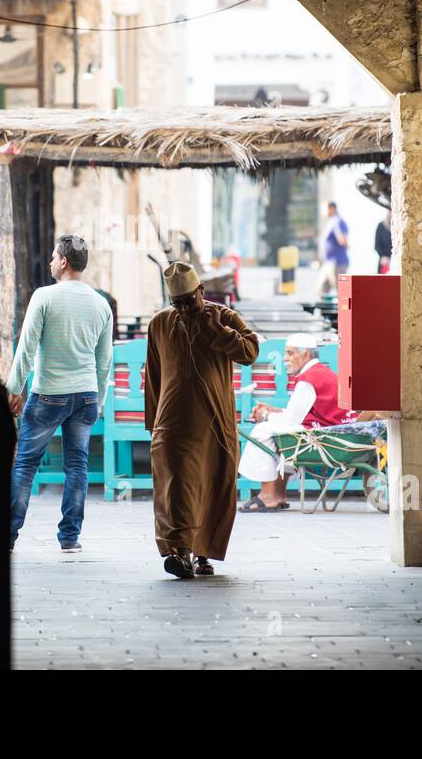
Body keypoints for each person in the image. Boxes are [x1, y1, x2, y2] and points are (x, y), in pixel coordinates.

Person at [144, 262, 260, 578]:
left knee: (213, 485)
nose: (183, 309)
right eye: (177, 303)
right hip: (172, 424)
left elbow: (249, 353)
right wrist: (153, 422)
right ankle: (178, 551)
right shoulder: (160, 324)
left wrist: (218, 332)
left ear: (201, 291)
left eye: (188, 301)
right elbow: (153, 375)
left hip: (215, 424)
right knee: (176, 487)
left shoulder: (223, 317)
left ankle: (202, 552)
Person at [6, 235, 114, 554]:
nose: (51, 262)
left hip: (49, 395)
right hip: (86, 397)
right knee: (77, 466)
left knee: (25, 464)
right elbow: (103, 361)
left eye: (54, 257)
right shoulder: (100, 304)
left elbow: (26, 348)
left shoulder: (44, 297)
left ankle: (8, 535)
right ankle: (69, 538)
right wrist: (100, 400)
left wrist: (14, 388)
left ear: (64, 262)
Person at [237, 332, 377, 511]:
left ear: (305, 354)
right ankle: (278, 494)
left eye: (290, 353)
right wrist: (273, 411)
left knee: (263, 431)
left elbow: (290, 420)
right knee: (276, 431)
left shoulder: (309, 379)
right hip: (335, 434)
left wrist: (264, 415)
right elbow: (302, 412)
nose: (286, 358)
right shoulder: (321, 373)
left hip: (328, 440)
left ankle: (270, 495)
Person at [318, 201, 349, 297]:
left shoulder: (337, 221)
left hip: (337, 263)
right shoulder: (331, 221)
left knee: (340, 292)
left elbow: (343, 240)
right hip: (329, 262)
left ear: (332, 208)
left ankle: (341, 312)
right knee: (321, 289)